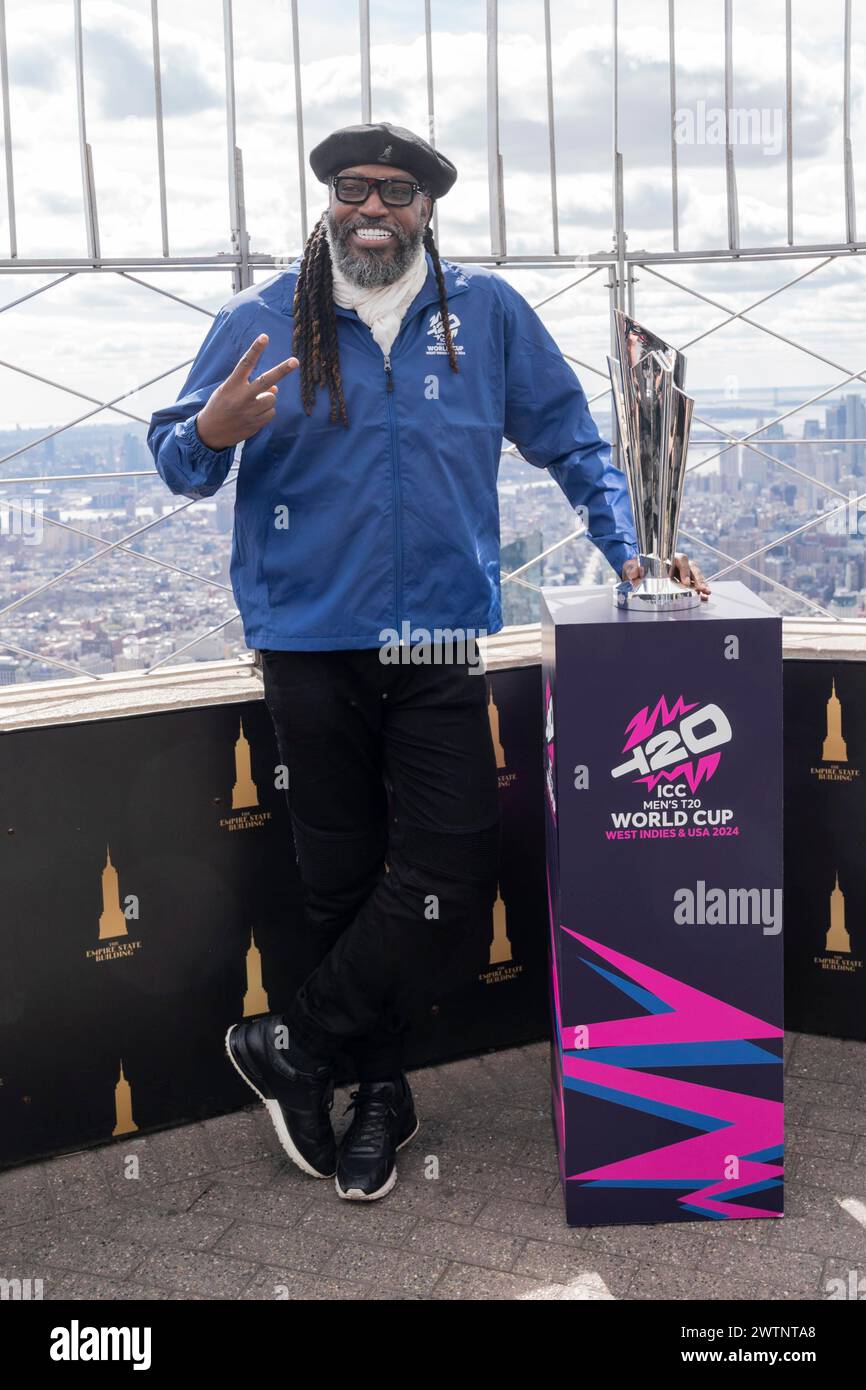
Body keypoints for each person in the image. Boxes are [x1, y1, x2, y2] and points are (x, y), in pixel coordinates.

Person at [147, 120, 710, 1204]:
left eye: (395, 191)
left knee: (448, 863)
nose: (372, 206)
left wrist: (630, 545)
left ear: (426, 210)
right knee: (339, 881)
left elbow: (573, 443)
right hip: (308, 641)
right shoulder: (259, 322)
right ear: (325, 203)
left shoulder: (486, 317)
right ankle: (379, 1099)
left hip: (440, 634)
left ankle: (291, 1044)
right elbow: (177, 461)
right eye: (352, 187)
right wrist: (211, 431)